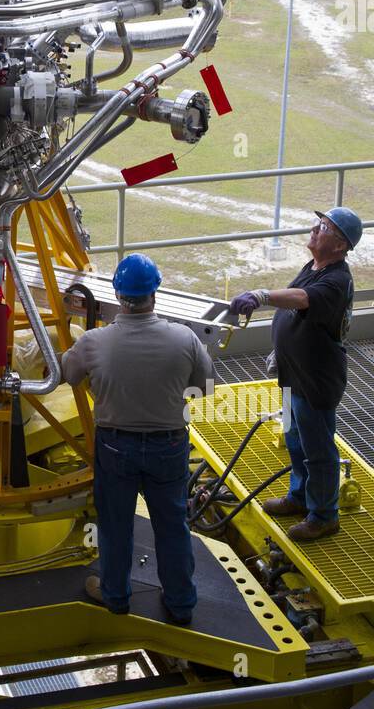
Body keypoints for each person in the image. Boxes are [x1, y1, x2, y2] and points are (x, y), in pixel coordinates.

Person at [61, 253, 211, 626]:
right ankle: (180, 603)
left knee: (115, 525)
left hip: (116, 446)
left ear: (118, 294)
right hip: (169, 445)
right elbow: (204, 388)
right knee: (173, 524)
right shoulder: (184, 338)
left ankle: (115, 596)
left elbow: (67, 375)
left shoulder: (94, 342)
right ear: (154, 294)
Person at [229, 205, 362, 543]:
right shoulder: (314, 265)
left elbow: (302, 298)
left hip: (314, 380)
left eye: (325, 227)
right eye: (319, 223)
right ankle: (300, 497)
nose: (316, 230)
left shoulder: (336, 280)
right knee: (294, 439)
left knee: (318, 449)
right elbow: (298, 305)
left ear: (341, 245)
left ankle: (324, 516)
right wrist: (283, 348)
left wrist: (262, 295)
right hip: (293, 374)